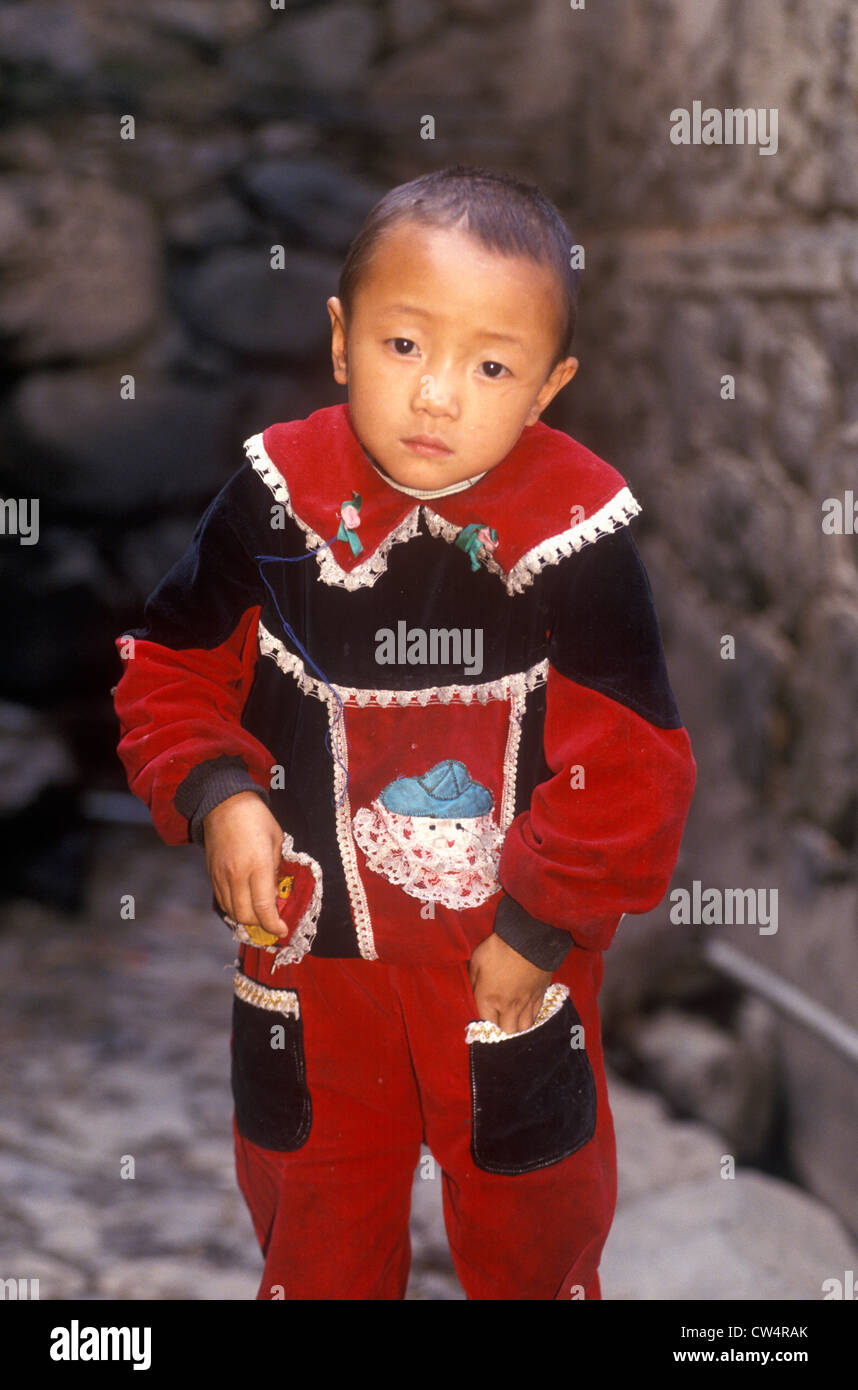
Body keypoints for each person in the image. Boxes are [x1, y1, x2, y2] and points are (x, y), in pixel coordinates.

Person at [113, 165, 696, 1301]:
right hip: (311, 966)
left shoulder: (574, 534)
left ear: (548, 386)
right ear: (340, 340)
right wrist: (219, 791)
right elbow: (167, 666)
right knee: (316, 1230)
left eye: (491, 365)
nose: (439, 395)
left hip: (503, 968)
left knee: (534, 1224)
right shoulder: (275, 498)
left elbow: (631, 761)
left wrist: (542, 924)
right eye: (403, 346)